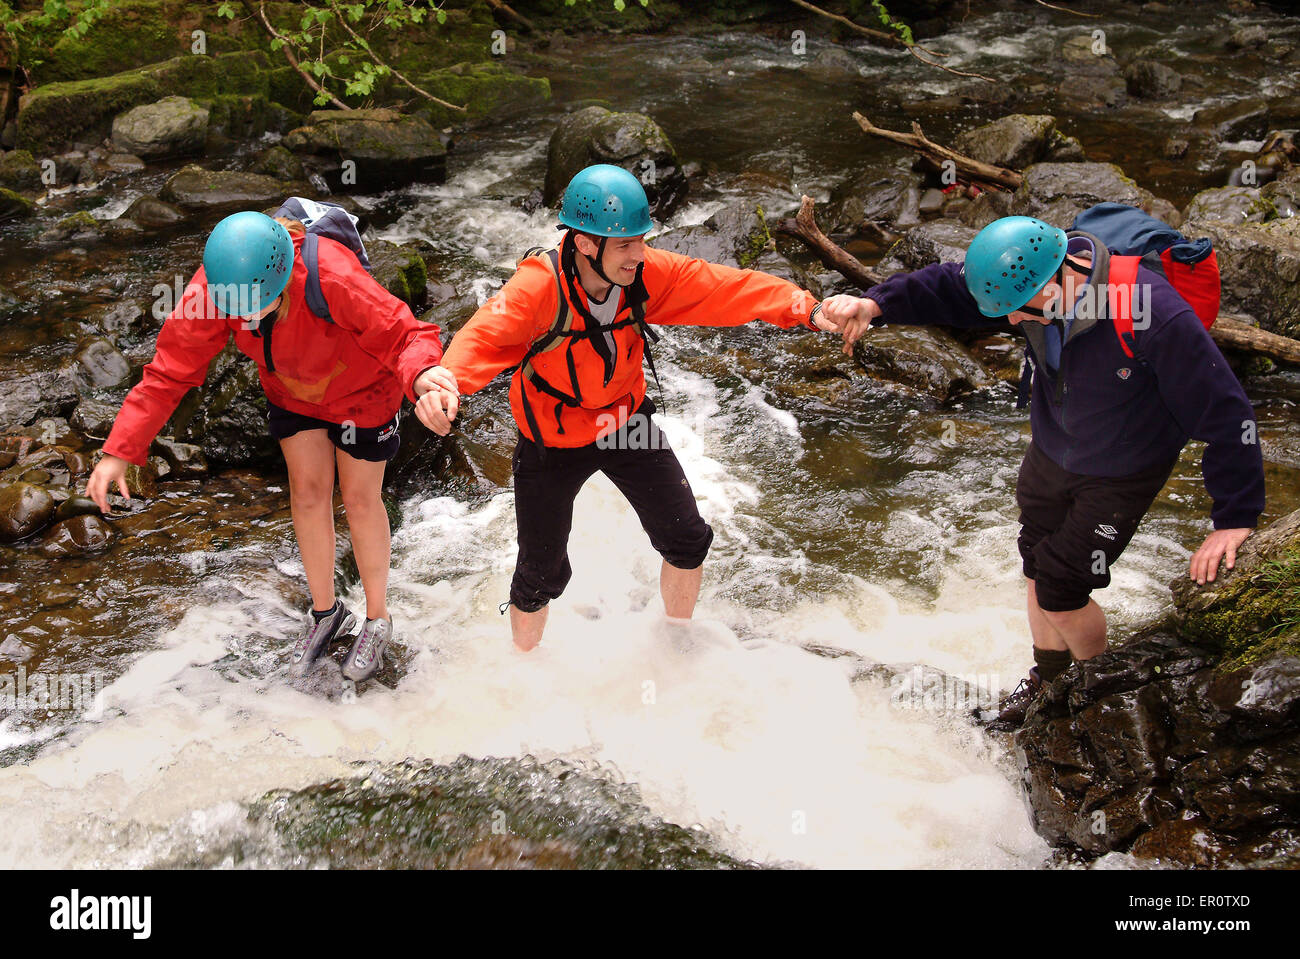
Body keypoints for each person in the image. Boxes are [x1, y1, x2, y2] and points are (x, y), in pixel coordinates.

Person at [819, 215, 1265, 726]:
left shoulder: (1146, 310)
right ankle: (1049, 683)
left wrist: (1235, 515)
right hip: (1053, 450)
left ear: (1056, 278)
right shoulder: (1027, 279)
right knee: (1035, 561)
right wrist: (875, 303)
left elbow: (1228, 413)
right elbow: (948, 286)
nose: (1009, 323)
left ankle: (1096, 689)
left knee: (1061, 585)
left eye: (1017, 312)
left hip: (1123, 470)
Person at [413, 164, 838, 651]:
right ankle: (523, 671)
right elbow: (483, 335)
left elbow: (727, 288)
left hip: (624, 425)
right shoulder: (537, 289)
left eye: (642, 240)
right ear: (584, 242)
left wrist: (807, 308)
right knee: (538, 576)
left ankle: (676, 647)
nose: (639, 255)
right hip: (553, 441)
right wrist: (444, 386)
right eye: (625, 245)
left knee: (688, 539)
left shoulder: (644, 274)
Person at [85, 209, 448, 682]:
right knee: (308, 492)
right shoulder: (215, 287)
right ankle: (326, 614)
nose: (243, 318)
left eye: (256, 307)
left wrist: (422, 377)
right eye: (236, 310)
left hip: (362, 391)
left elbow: (404, 334)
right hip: (292, 391)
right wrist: (121, 448)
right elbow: (169, 369)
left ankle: (377, 619)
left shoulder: (330, 274)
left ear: (281, 277)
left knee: (359, 500)